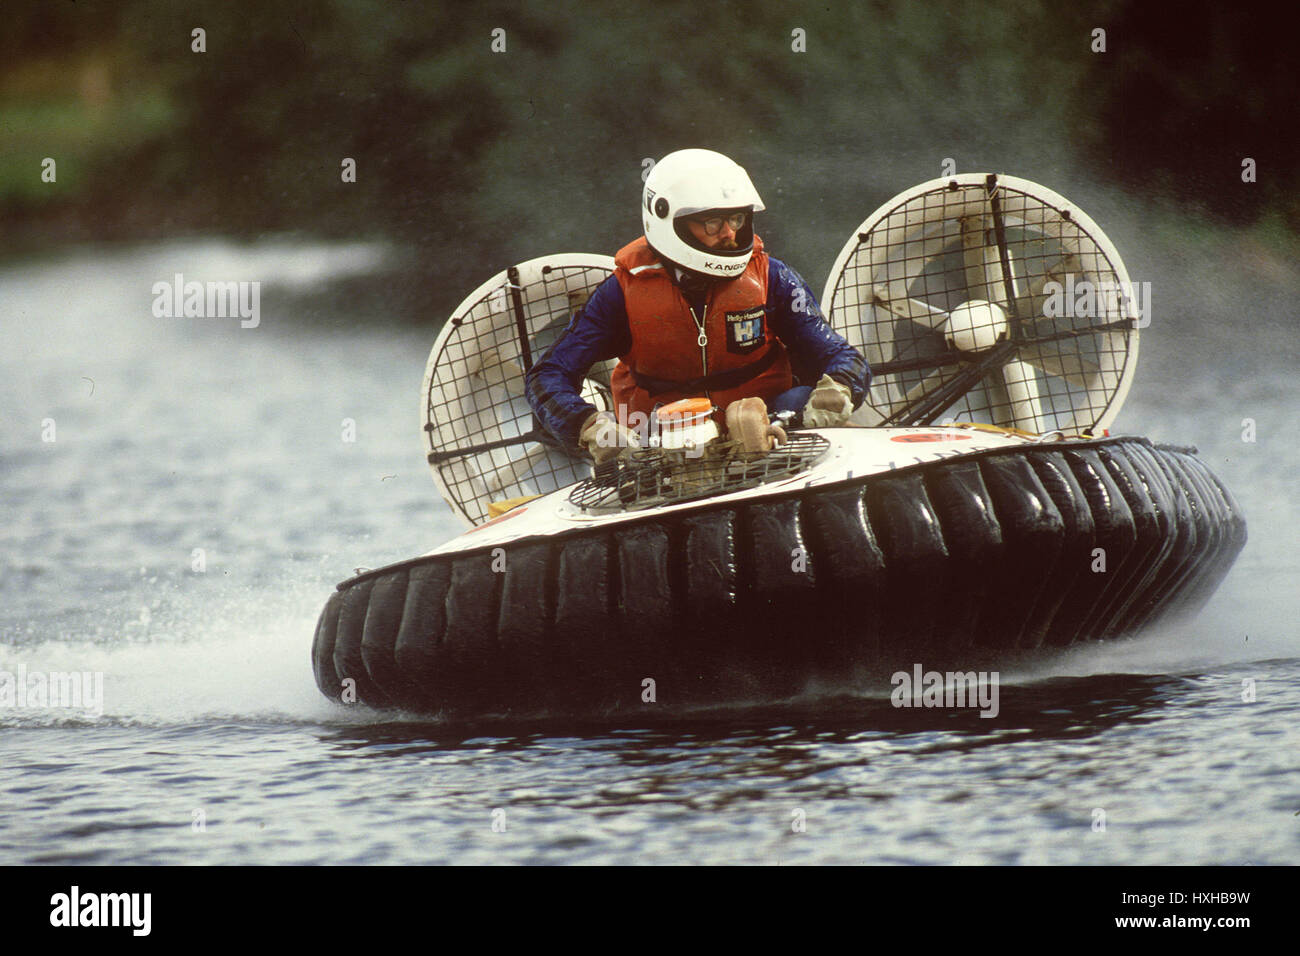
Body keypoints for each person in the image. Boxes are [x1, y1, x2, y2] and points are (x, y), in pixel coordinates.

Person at [525, 148, 870, 462]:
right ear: (666, 220)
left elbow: (843, 356)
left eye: (736, 220)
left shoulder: (772, 278)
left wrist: (838, 388)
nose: (729, 234)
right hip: (659, 446)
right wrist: (589, 426)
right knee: (631, 444)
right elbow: (548, 376)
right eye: (712, 223)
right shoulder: (620, 293)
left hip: (770, 430)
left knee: (797, 400)